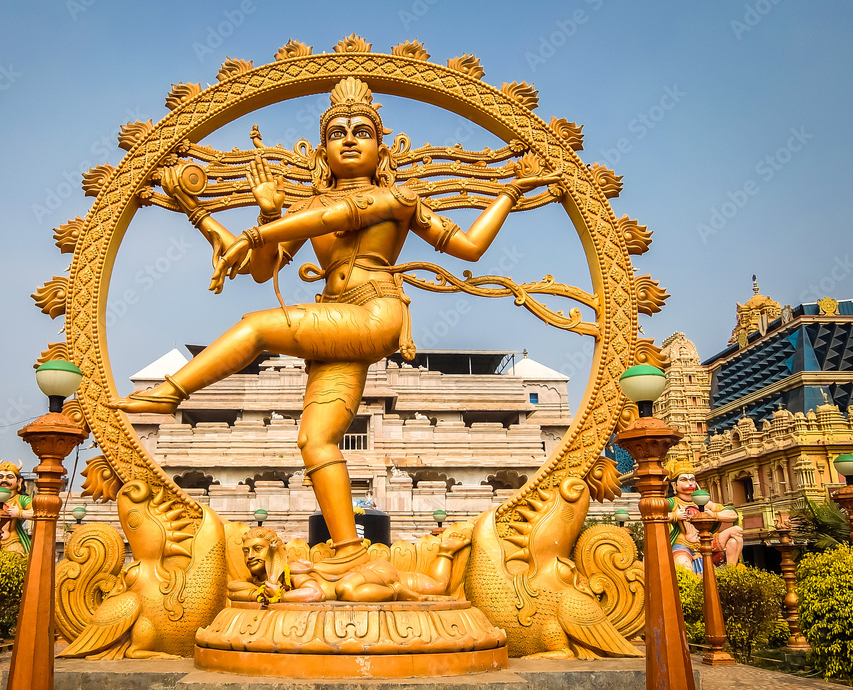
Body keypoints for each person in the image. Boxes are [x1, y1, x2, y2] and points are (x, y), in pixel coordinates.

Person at [112, 77, 559, 569]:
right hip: (335, 326)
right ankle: (350, 553)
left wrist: (510, 194)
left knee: (258, 328)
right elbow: (263, 270)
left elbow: (464, 245)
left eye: (362, 131)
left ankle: (172, 391)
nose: (349, 138)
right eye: (338, 132)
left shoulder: (396, 199)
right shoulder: (304, 209)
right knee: (314, 439)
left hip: (373, 313)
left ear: (380, 147)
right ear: (323, 149)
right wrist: (261, 212)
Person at [228, 526, 471, 604]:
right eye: (246, 551)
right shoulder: (268, 579)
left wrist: (280, 596)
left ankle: (405, 591)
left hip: (371, 573)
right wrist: (258, 593)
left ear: (273, 551)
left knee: (345, 590)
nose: (250, 556)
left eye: (257, 549)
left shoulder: (291, 570)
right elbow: (232, 588)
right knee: (439, 587)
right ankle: (446, 552)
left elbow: (314, 593)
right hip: (365, 578)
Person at [666, 457, 743, 572]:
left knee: (736, 533)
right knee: (683, 565)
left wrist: (714, 515)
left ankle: (730, 572)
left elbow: (733, 515)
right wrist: (674, 516)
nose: (689, 483)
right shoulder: (673, 502)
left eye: (692, 479)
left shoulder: (703, 501)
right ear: (674, 485)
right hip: (683, 544)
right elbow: (654, 517)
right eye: (684, 480)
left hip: (707, 541)